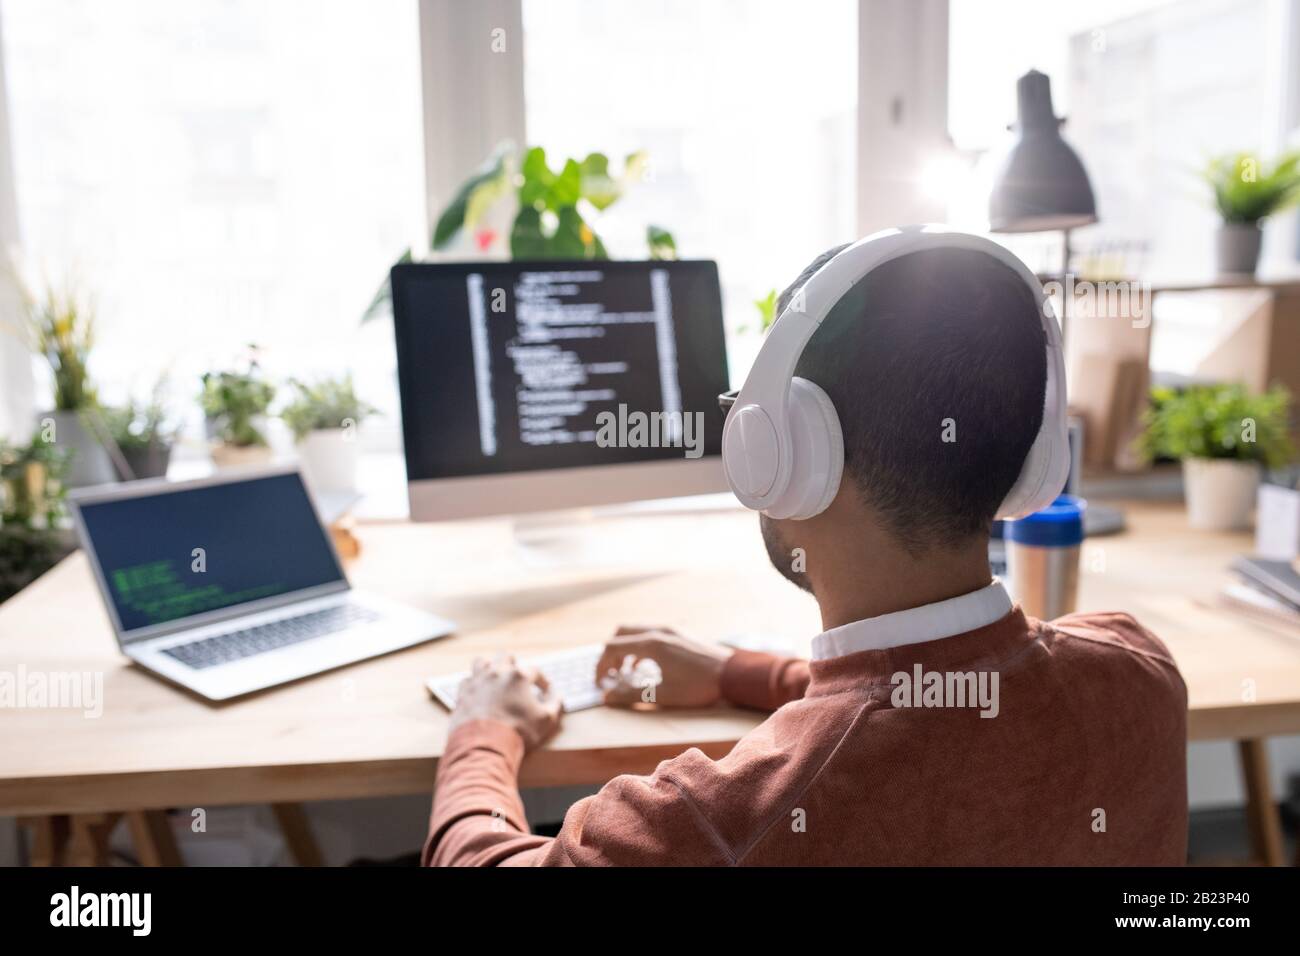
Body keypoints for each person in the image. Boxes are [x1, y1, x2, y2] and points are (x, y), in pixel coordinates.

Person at [423, 243, 1188, 866]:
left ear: (788, 449)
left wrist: (485, 729)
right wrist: (736, 672)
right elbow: (930, 706)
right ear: (1032, 454)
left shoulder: (717, 825)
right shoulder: (1141, 674)